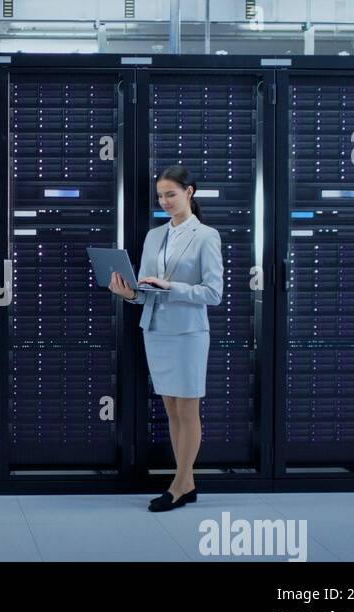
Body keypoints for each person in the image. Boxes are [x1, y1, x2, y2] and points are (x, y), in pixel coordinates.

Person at [108, 165, 224, 512]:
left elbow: (213, 293)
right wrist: (128, 293)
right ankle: (186, 482)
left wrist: (170, 286)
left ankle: (179, 483)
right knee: (171, 409)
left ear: (190, 192)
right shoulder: (154, 236)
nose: (165, 201)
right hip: (157, 330)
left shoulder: (206, 236)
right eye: (161, 196)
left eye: (171, 194)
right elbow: (145, 290)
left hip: (188, 332)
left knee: (188, 409)